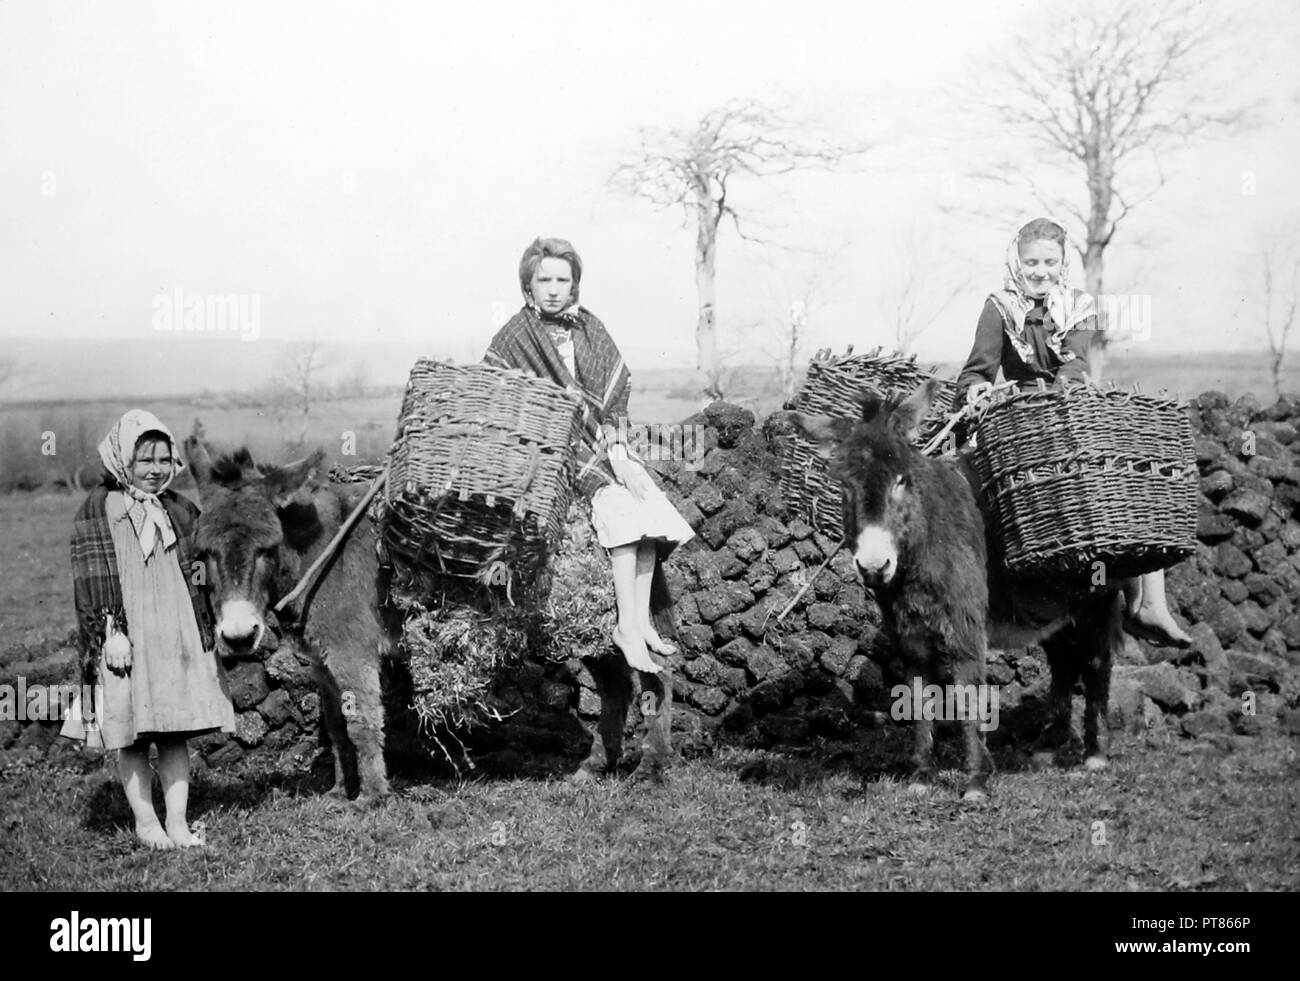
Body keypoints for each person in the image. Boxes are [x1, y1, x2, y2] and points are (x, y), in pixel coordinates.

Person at [954, 216, 1193, 649]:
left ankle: (1149, 603)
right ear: (1017, 262)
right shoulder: (999, 307)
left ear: (1063, 263)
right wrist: (976, 391)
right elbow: (978, 367)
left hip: (1073, 411)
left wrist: (1059, 396)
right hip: (1017, 420)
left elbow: (1076, 365)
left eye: (1049, 261)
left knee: (1130, 477)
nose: (1040, 271)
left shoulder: (1080, 306)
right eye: (1031, 262)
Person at [485, 237, 694, 674]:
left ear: (575, 284)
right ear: (528, 285)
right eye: (545, 279)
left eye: (563, 279)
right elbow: (496, 396)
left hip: (600, 439)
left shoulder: (589, 327)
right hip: (552, 446)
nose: (554, 288)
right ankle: (625, 629)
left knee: (648, 507)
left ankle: (640, 621)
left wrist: (616, 447)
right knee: (620, 509)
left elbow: (616, 393)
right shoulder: (514, 336)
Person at [60, 410, 235, 848]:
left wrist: (205, 610)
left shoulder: (179, 508)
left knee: (174, 733)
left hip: (174, 635)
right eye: (145, 461)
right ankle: (146, 822)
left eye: (163, 460)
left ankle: (177, 821)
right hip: (127, 639)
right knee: (133, 734)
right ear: (122, 460)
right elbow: (92, 577)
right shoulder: (101, 508)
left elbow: (198, 567)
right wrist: (111, 630)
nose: (156, 470)